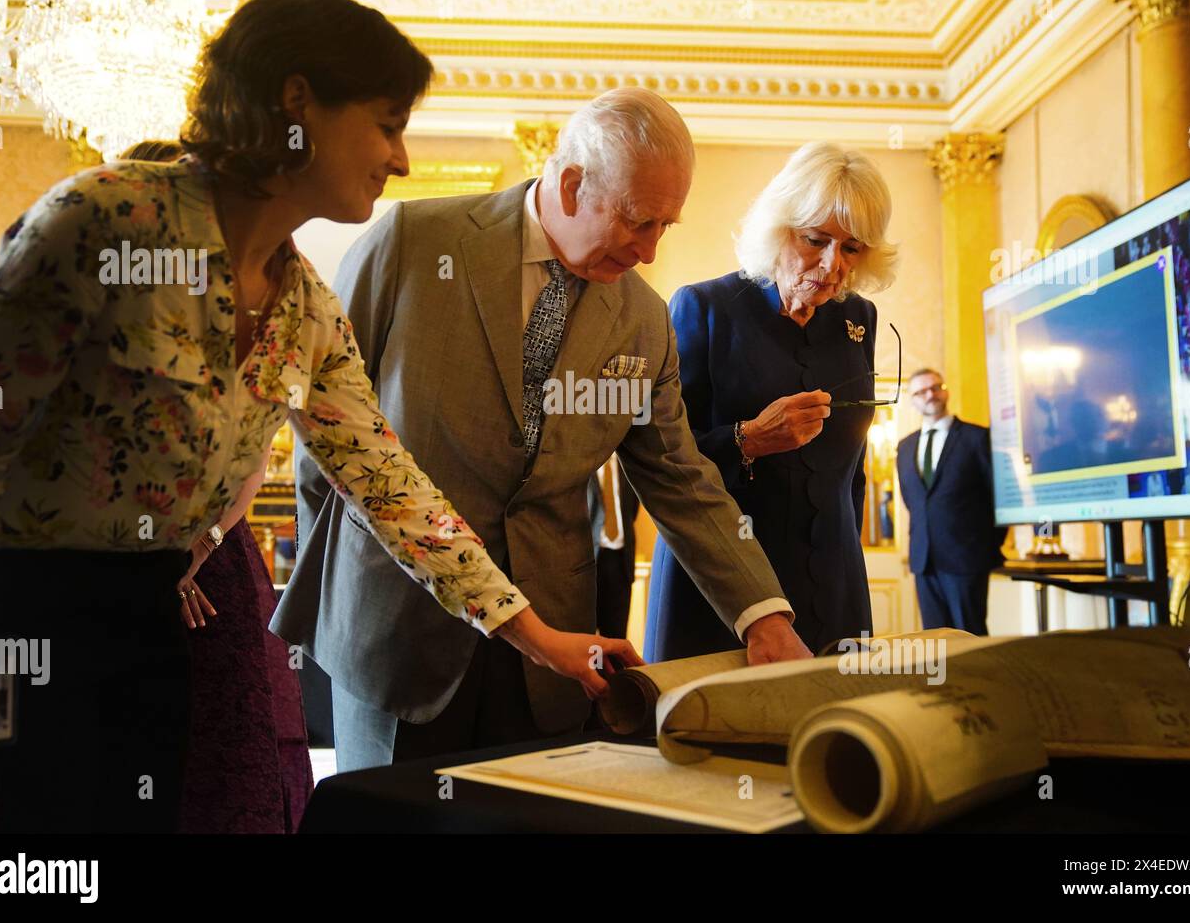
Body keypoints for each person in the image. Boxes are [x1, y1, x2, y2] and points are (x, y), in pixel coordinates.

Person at [0, 0, 633, 835]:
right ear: (297, 102)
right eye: (387, 123)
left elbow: (392, 489)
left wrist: (542, 640)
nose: (403, 158)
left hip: (153, 635)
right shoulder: (105, 219)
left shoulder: (305, 305)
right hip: (16, 630)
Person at [274, 87, 814, 771]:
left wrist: (762, 614)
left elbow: (680, 478)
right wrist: (338, 583)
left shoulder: (646, 322)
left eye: (664, 228)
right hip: (397, 629)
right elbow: (326, 434)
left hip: (553, 648)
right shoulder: (412, 242)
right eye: (638, 221)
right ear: (569, 184)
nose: (649, 252)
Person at [118, 138, 313, 833]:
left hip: (214, 568)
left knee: (222, 764)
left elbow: (255, 455)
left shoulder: (259, 309)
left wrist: (195, 551)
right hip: (107, 563)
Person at [645, 141, 898, 660]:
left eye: (851, 248)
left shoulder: (861, 321)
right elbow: (662, 459)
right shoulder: (704, 307)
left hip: (833, 579)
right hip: (723, 585)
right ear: (777, 227)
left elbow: (853, 468)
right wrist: (749, 440)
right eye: (815, 239)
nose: (832, 265)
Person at [897, 368, 1007, 635]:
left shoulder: (977, 438)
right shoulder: (905, 446)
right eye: (921, 392)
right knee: (934, 640)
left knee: (969, 638)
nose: (930, 395)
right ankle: (942, 681)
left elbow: (999, 498)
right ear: (912, 400)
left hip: (966, 559)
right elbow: (913, 500)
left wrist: (986, 546)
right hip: (924, 560)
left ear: (945, 390)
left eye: (935, 387)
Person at [588, 457, 640, 640]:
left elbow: (632, 510)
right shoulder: (584, 463)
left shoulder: (627, 464)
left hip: (621, 561)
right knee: (588, 639)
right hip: (589, 562)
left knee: (616, 638)